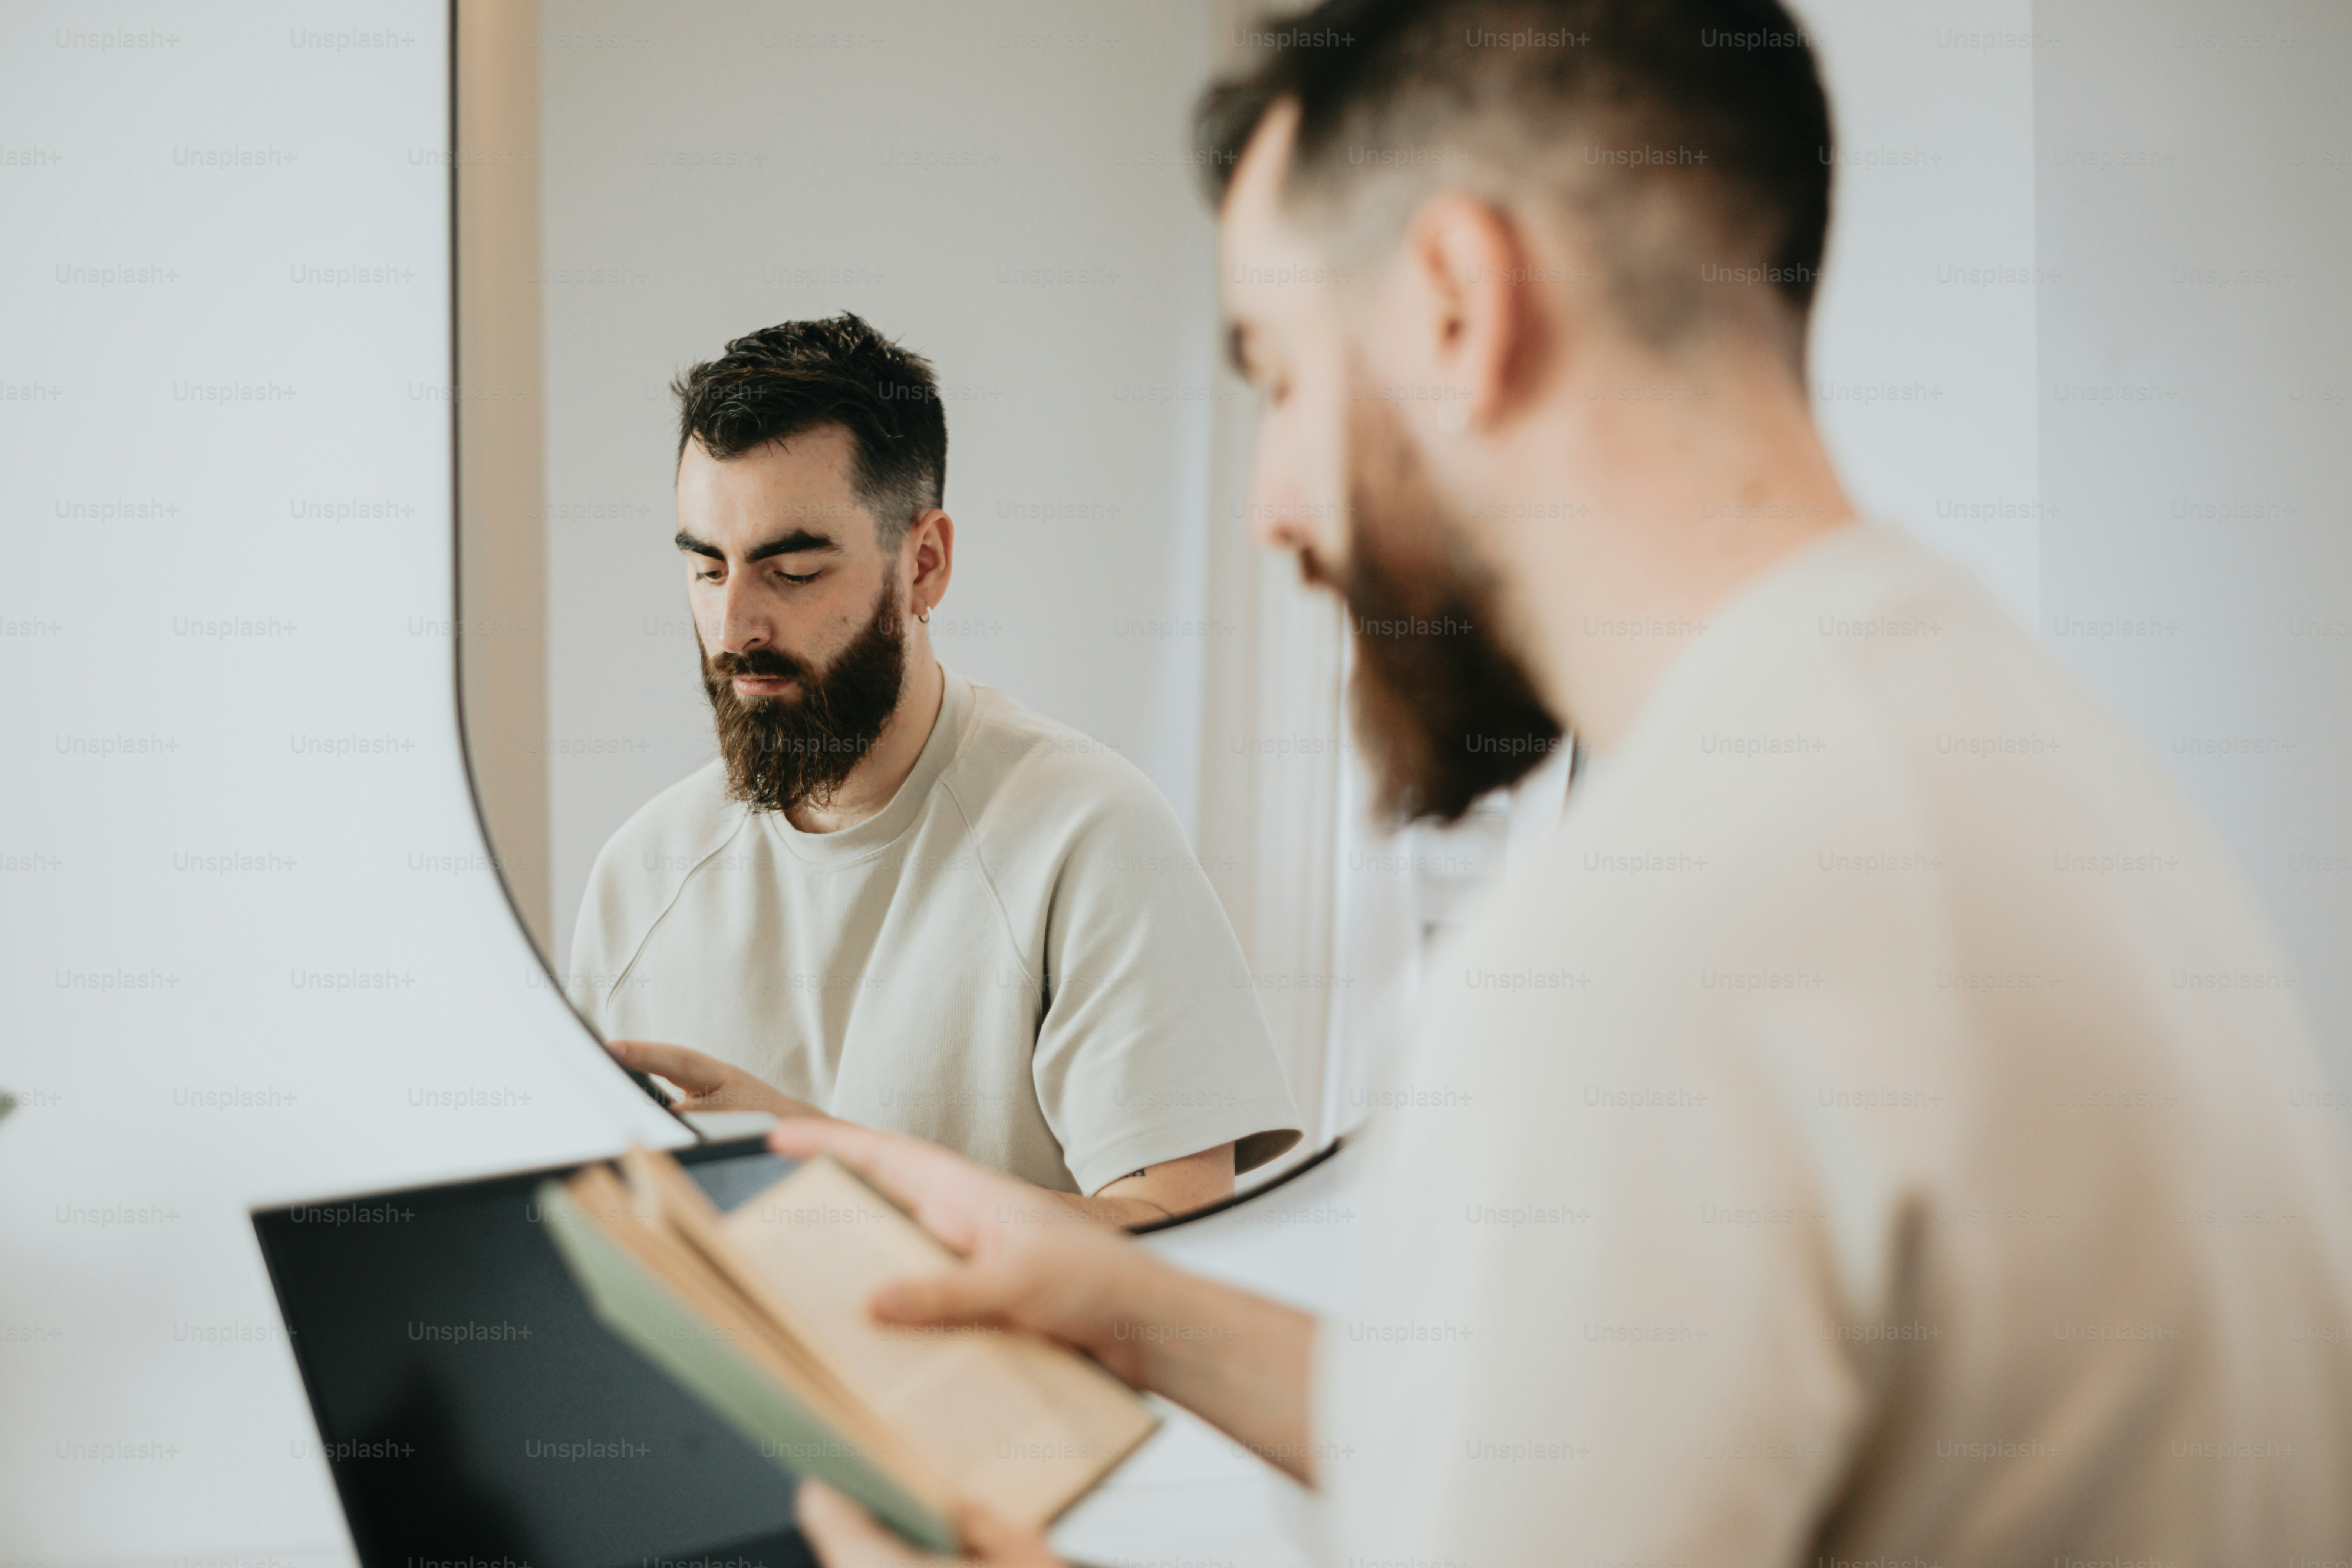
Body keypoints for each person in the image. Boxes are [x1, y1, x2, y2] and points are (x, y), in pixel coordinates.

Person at [765, 1, 2352, 1563]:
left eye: (1283, 377)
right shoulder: (2011, 749)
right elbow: (1579, 1437)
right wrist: (1127, 1300)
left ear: (1456, 301)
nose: (1271, 501)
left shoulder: (1638, 949)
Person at [566, 314, 1302, 1224]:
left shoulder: (1089, 836)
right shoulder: (640, 876)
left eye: (792, 570)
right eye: (708, 568)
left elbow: (1182, 1230)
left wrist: (847, 1176)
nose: (734, 629)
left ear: (924, 564)